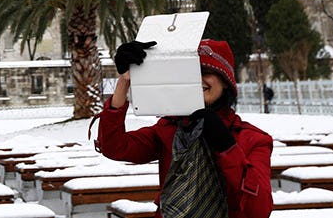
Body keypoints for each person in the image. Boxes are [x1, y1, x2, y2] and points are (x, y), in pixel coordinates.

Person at [93, 38, 273, 218]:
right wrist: (125, 81)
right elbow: (114, 146)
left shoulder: (253, 139)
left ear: (225, 81)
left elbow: (259, 210)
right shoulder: (171, 129)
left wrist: (226, 146)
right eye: (190, 73)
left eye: (206, 71)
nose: (197, 79)